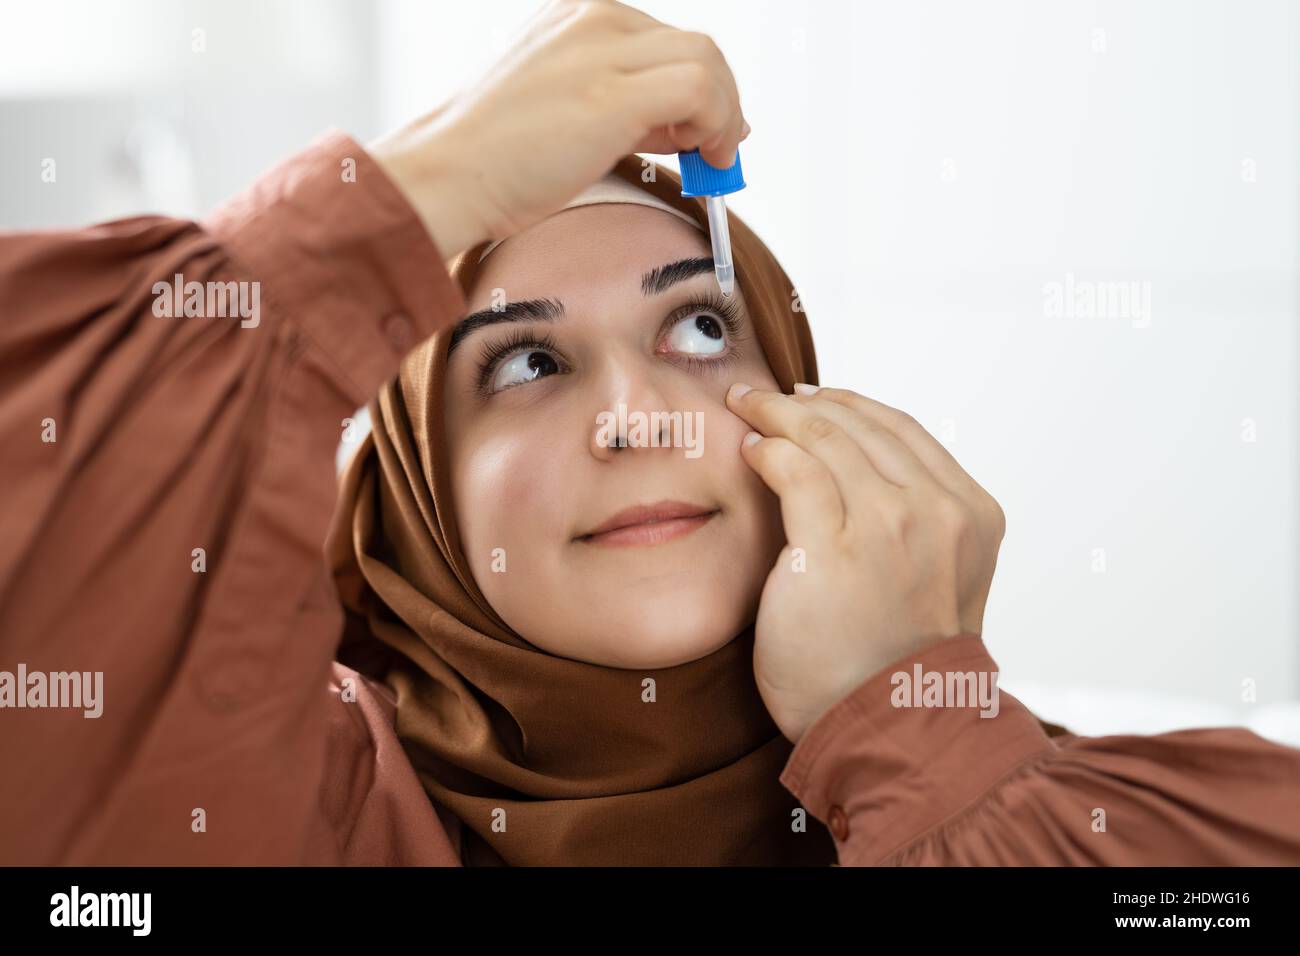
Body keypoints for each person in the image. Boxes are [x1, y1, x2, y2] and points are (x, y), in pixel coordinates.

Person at [2, 0, 1298, 866]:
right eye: (524, 359)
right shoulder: (257, 808)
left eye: (696, 330)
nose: (632, 418)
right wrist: (403, 190)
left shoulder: (1118, 825)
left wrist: (925, 735)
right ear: (412, 517)